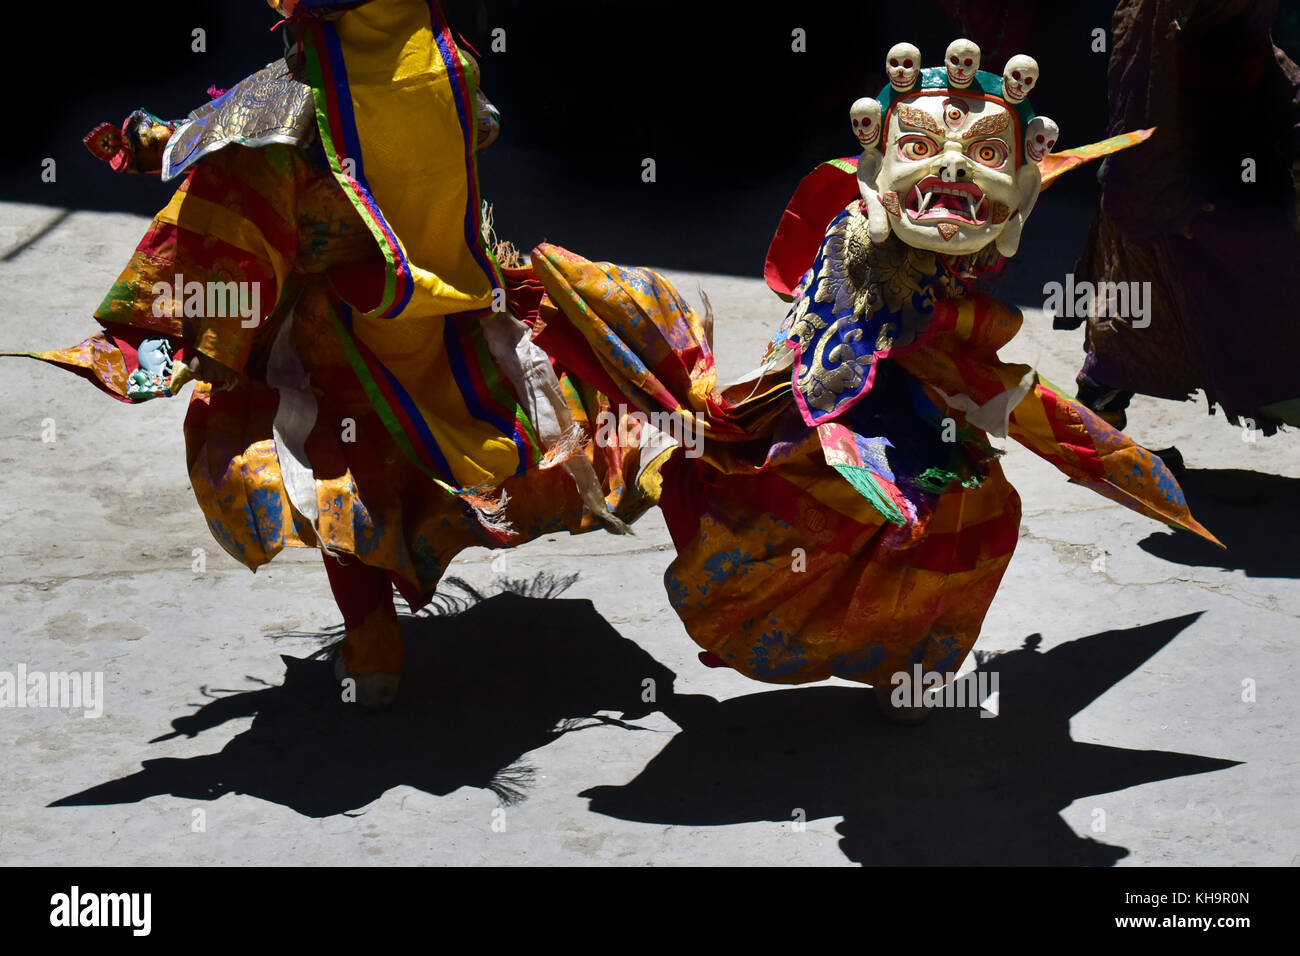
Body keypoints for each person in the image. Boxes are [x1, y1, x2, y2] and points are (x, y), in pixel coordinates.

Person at [510, 40, 1218, 721]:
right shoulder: (855, 243)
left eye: (988, 156)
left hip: (933, 438)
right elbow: (826, 346)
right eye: (920, 149)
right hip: (829, 434)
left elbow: (966, 347)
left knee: (976, 530)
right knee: (785, 530)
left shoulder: (965, 262)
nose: (956, 168)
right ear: (876, 168)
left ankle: (907, 662)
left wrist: (997, 398)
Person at [5, 0, 656, 709]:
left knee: (341, 472)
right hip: (445, 308)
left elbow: (223, 170)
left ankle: (373, 646)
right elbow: (484, 130)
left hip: (334, 329)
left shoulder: (286, 104)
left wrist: (162, 144)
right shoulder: (449, 68)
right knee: (450, 440)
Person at [1064, 0, 1300, 443]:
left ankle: (1102, 397)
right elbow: (1138, 86)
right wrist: (1163, 197)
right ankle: (1098, 408)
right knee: (1155, 300)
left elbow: (1258, 50)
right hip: (1172, 173)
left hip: (1239, 154)